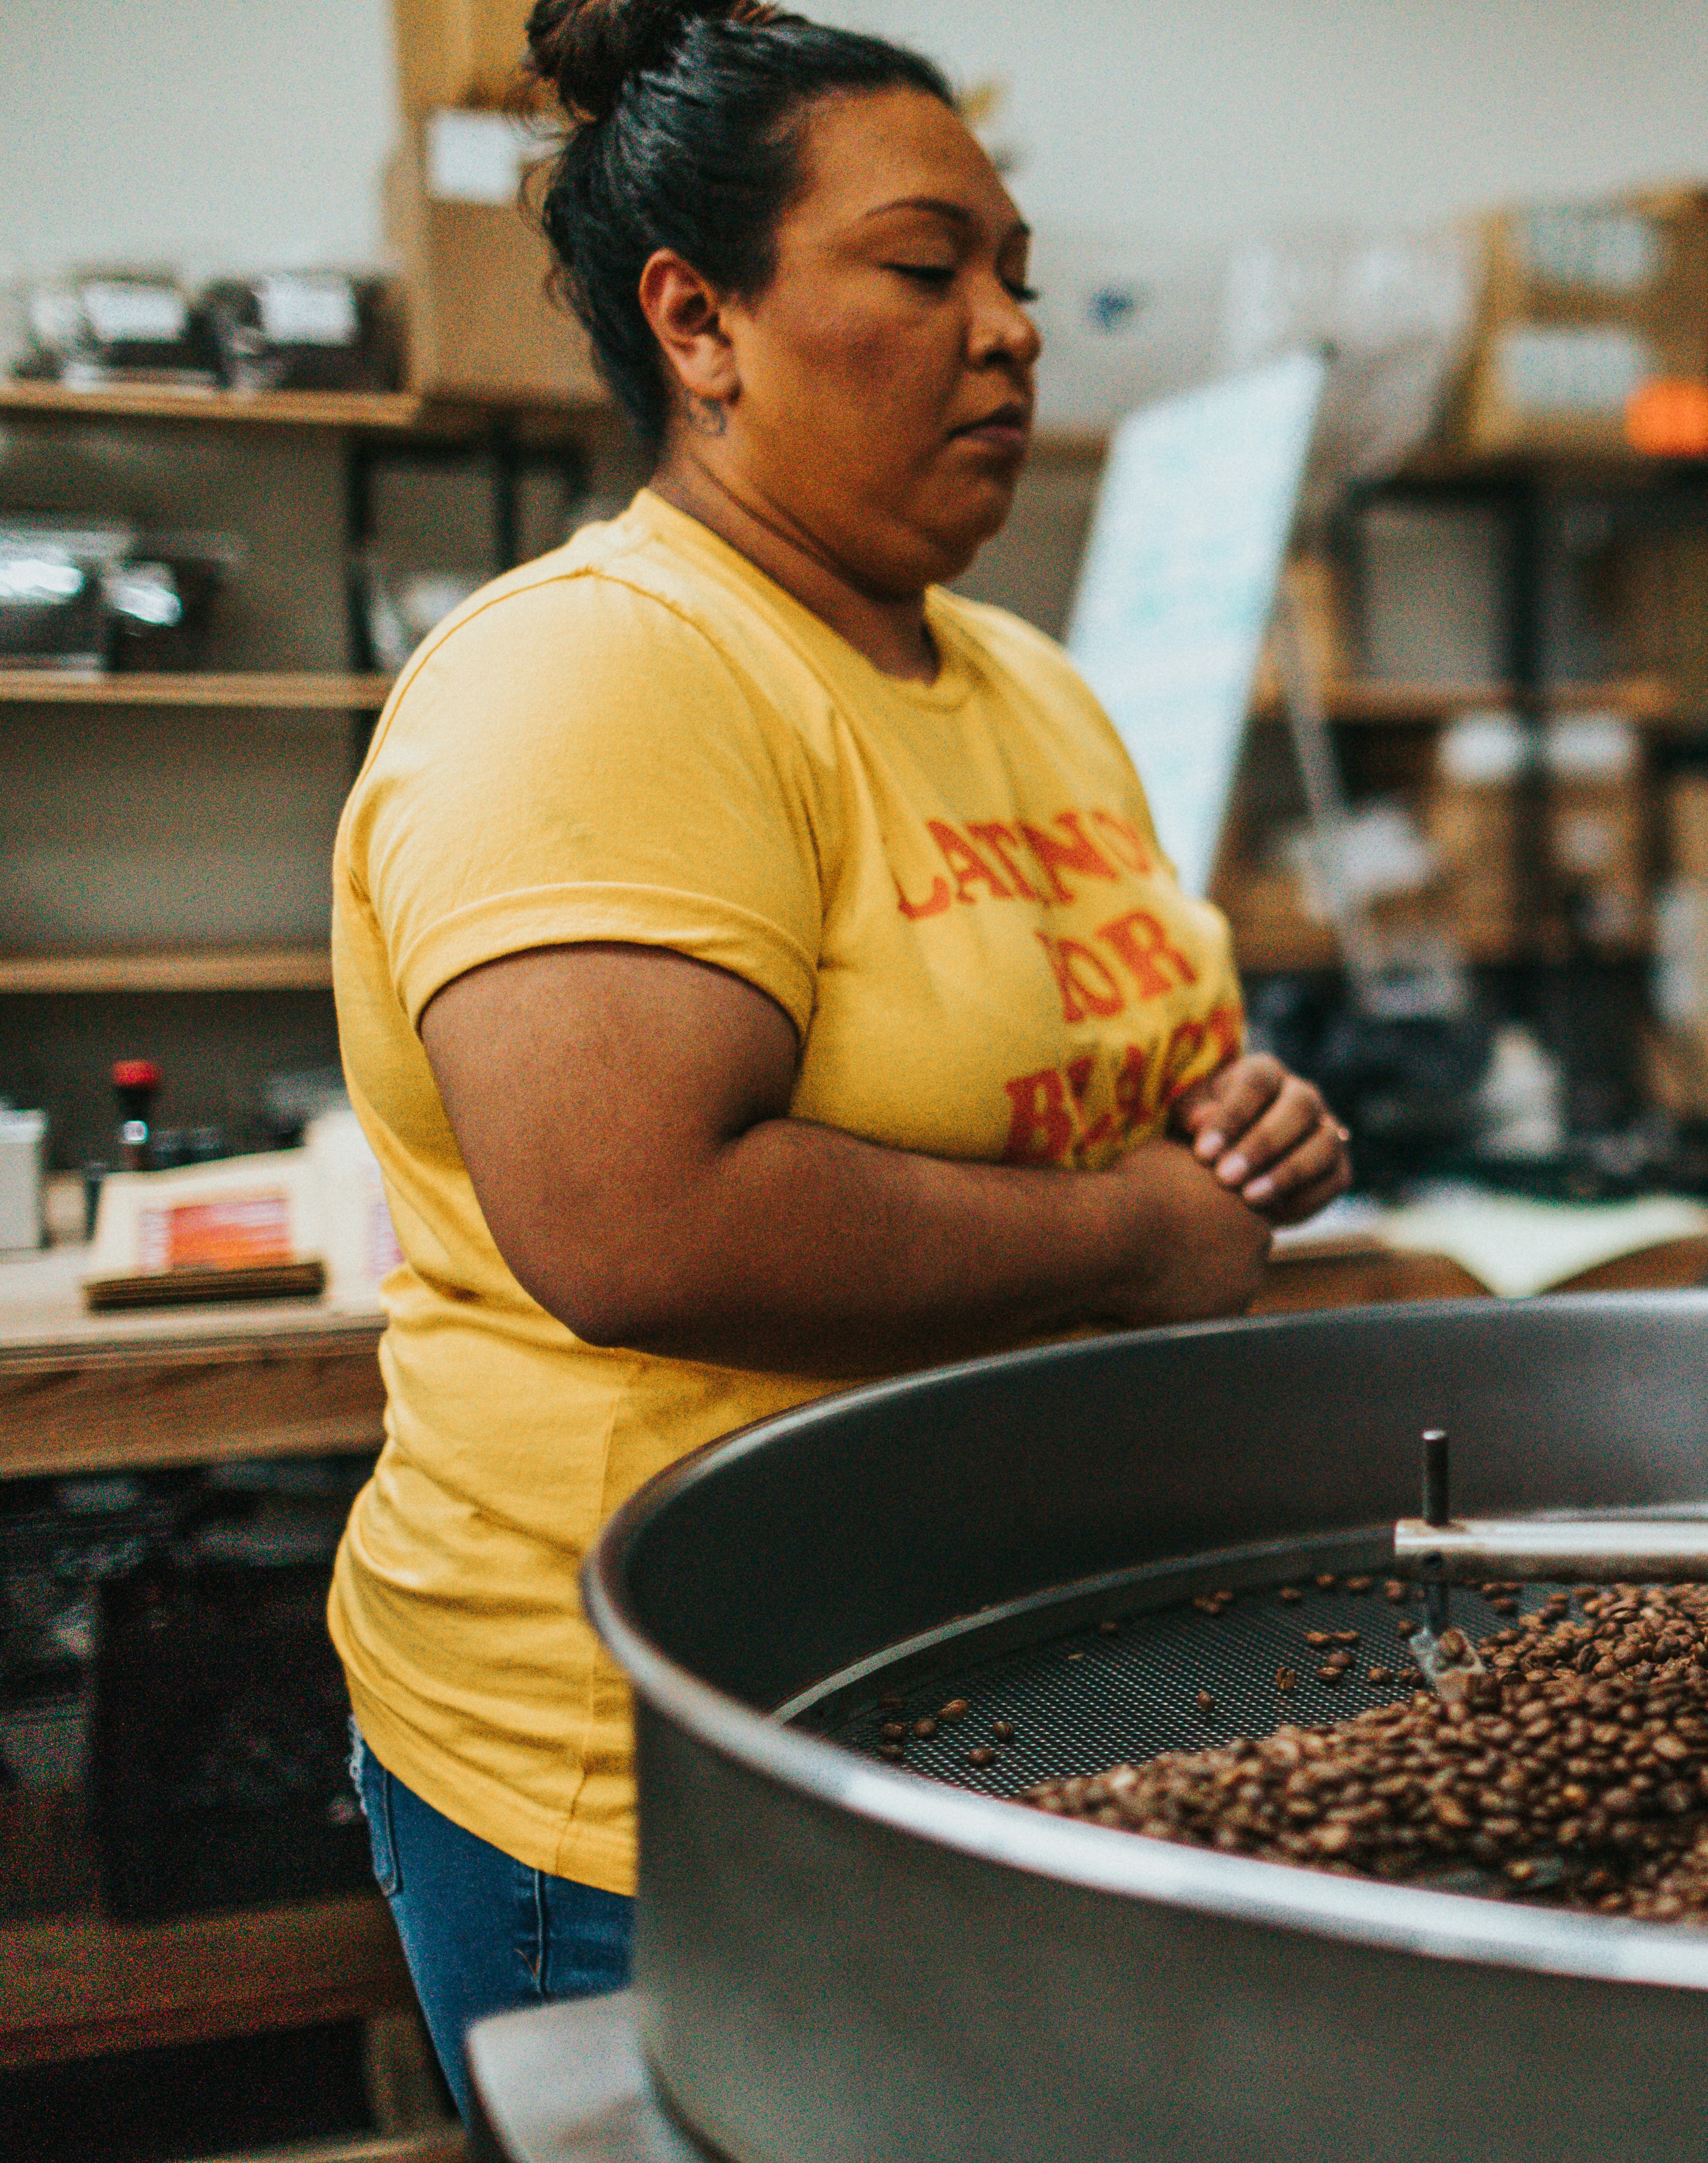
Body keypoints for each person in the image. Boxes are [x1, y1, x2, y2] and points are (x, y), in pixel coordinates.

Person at [326, 0, 1347, 2114]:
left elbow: (1114, 1073)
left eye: (1020, 280)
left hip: (997, 1672)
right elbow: (636, 1217)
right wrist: (1142, 1239)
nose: (1008, 333)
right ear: (698, 320)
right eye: (925, 268)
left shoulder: (1027, 684)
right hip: (658, 1755)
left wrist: (1228, 1131)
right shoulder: (604, 674)